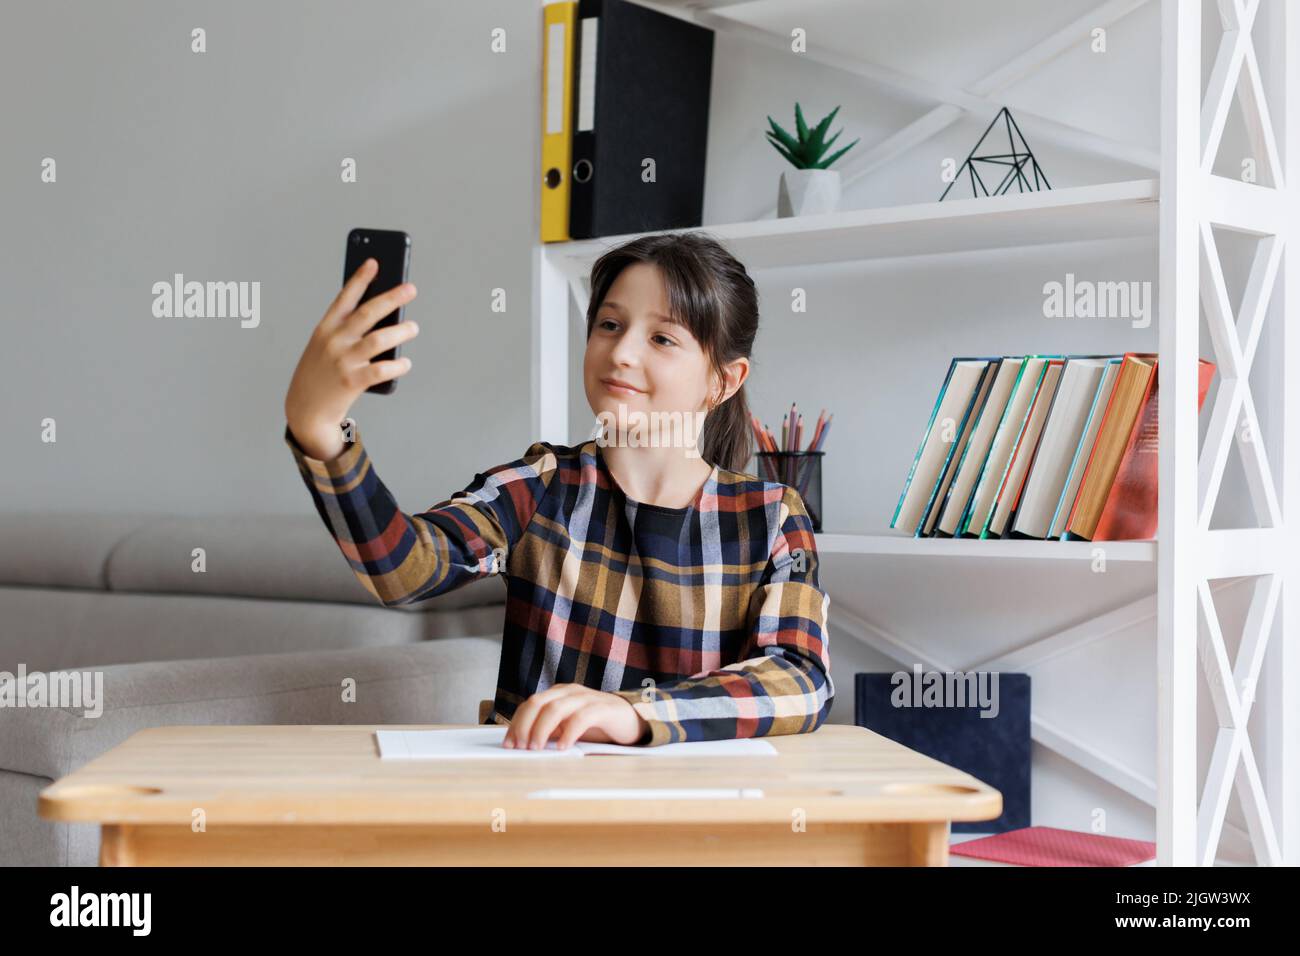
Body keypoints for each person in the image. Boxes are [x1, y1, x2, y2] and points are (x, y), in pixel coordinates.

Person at [283, 232, 833, 749]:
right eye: (609, 325)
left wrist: (635, 714)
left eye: (662, 337)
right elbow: (401, 568)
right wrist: (321, 430)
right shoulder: (543, 486)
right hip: (535, 811)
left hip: (691, 826)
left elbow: (801, 678)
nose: (620, 353)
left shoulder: (771, 518)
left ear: (724, 380)